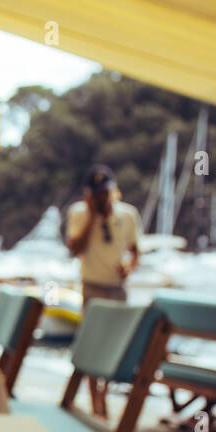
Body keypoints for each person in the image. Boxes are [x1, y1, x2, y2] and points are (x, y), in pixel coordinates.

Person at [66, 164, 141, 415]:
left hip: (117, 287)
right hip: (92, 285)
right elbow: (75, 249)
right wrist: (93, 217)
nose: (101, 198)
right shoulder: (79, 213)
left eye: (104, 192)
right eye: (96, 194)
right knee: (92, 341)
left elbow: (135, 251)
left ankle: (104, 394)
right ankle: (94, 396)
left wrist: (129, 267)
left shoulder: (128, 215)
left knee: (113, 345)